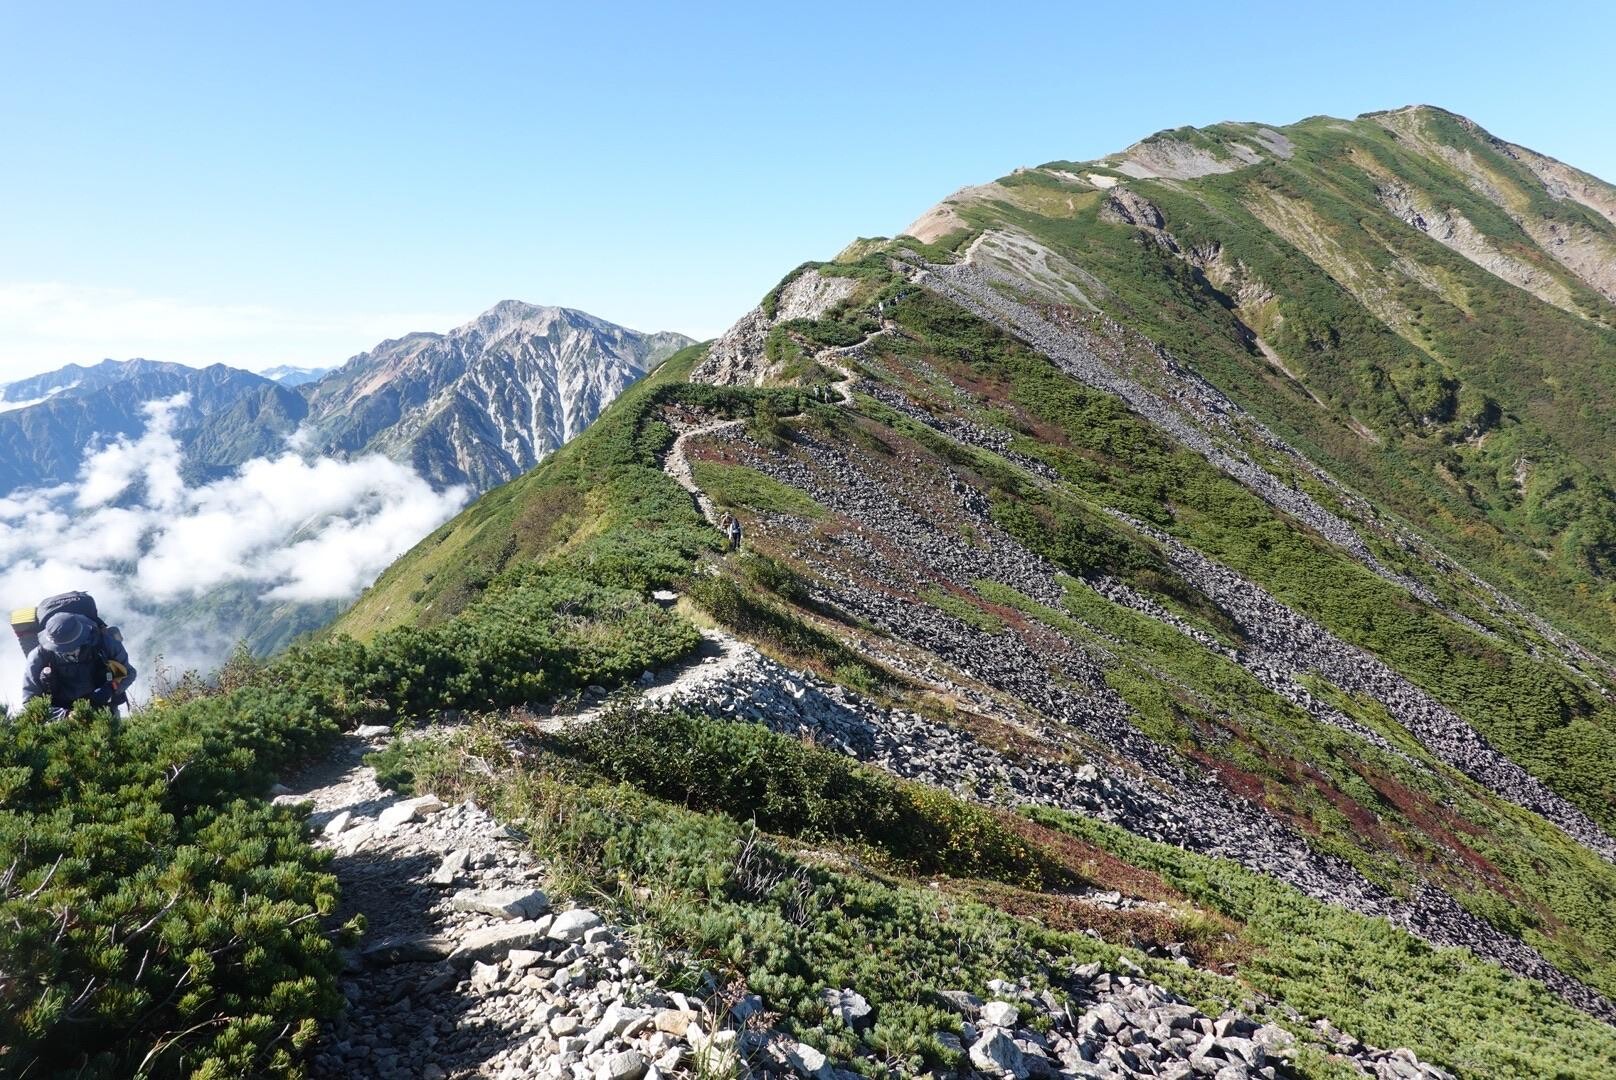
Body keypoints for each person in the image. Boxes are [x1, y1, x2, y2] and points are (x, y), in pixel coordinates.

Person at [21, 611, 136, 714]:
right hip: (61, 716)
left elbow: (129, 673)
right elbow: (30, 702)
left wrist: (111, 688)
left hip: (103, 708)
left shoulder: (103, 644)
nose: (67, 650)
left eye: (70, 645)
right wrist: (65, 716)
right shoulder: (39, 656)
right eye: (61, 648)